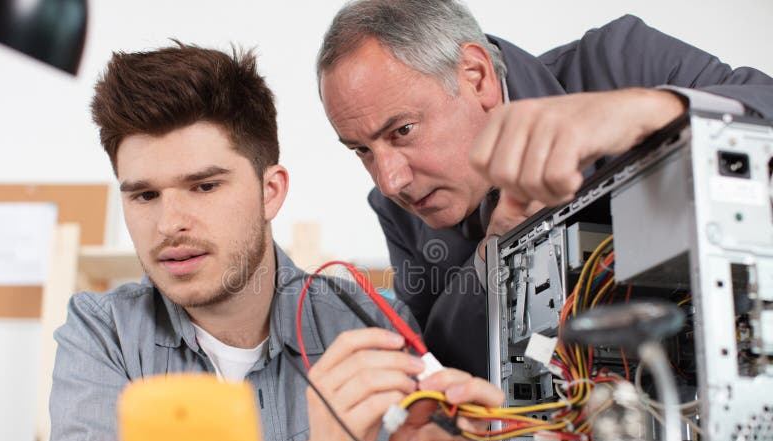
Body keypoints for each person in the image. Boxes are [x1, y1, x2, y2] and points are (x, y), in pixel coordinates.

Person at [45, 43, 503, 441]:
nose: (168, 225)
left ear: (271, 191)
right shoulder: (101, 333)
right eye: (145, 195)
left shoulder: (369, 326)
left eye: (204, 186)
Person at [316, 0, 773, 378]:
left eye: (402, 131)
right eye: (361, 150)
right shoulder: (397, 210)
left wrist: (651, 110)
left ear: (477, 77)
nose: (389, 179)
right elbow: (443, 368)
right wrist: (494, 258)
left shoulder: (619, 64)